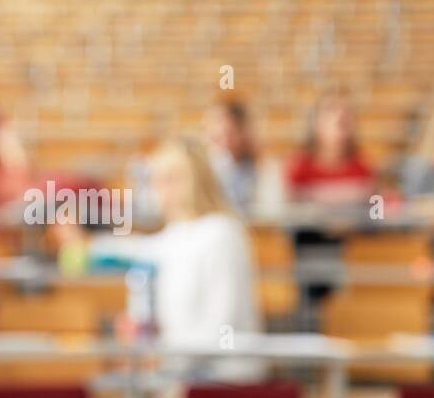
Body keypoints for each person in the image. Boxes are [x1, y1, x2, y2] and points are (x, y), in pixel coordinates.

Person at [81, 137, 262, 381]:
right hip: (181, 378)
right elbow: (135, 249)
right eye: (157, 179)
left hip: (225, 383)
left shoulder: (222, 233)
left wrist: (163, 358)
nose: (162, 188)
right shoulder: (172, 236)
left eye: (173, 177)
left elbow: (221, 330)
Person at [285, 93, 375, 204]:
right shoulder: (299, 167)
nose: (339, 117)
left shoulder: (363, 166)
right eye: (330, 111)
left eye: (345, 119)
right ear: (316, 123)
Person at [204, 99, 259, 215]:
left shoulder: (253, 167)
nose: (220, 128)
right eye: (216, 121)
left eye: (229, 133)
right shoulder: (203, 165)